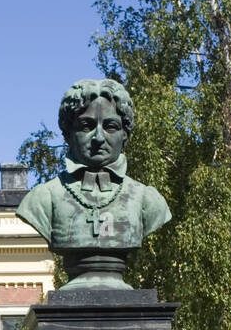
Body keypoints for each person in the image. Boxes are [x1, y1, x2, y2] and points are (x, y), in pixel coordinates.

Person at [16, 78, 171, 287]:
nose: (98, 137)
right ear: (68, 134)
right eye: (86, 126)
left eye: (110, 126)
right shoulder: (43, 199)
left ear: (125, 134)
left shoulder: (148, 201)